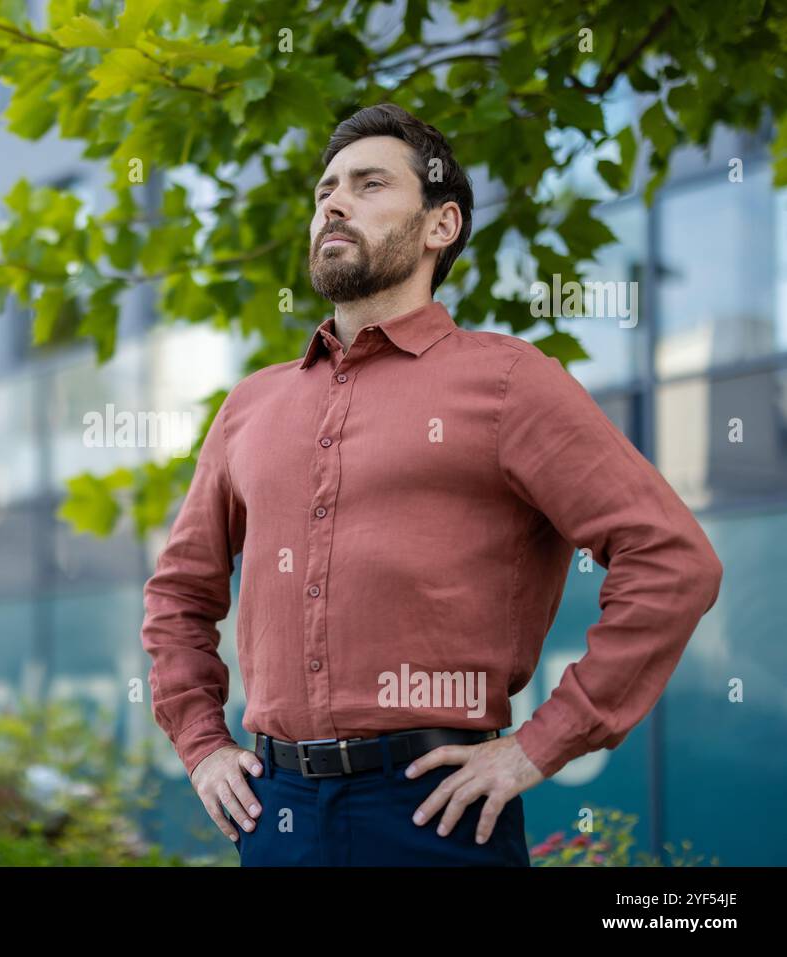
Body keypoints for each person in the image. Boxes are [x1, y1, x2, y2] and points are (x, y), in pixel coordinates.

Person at [139, 103, 723, 866]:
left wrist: (538, 746)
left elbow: (673, 560)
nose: (334, 204)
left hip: (435, 813)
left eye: (370, 184)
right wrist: (202, 742)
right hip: (275, 811)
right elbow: (179, 592)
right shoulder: (251, 405)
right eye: (325, 192)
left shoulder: (509, 382)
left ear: (440, 226)